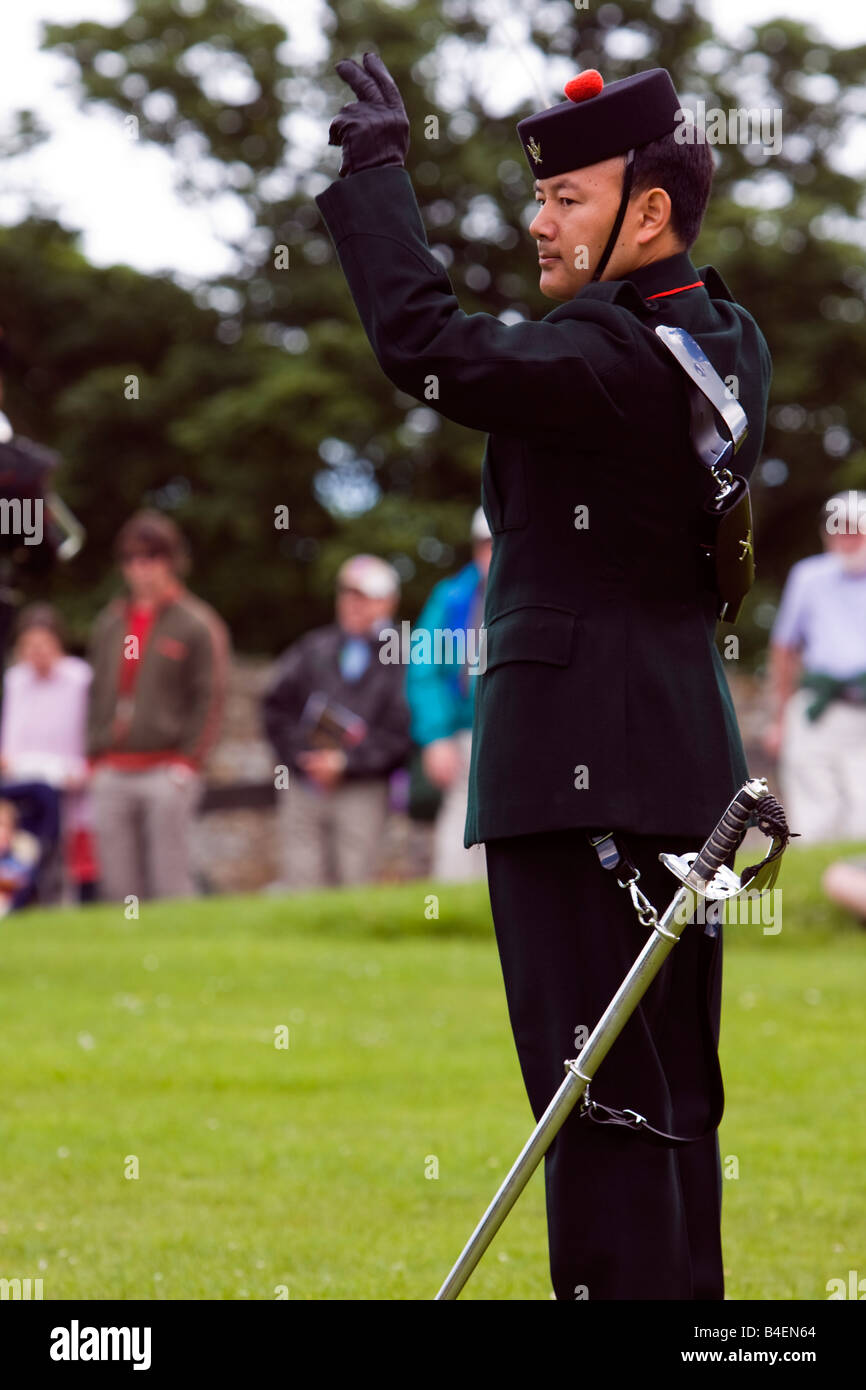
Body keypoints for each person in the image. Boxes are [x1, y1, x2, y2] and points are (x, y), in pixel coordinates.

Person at [317, 56, 772, 1299]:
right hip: (680, 776)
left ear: (648, 210)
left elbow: (425, 349)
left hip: (585, 783)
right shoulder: (716, 337)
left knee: (601, 1101)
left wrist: (374, 177)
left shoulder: (609, 356)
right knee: (666, 1097)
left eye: (565, 196)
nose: (536, 221)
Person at [87, 510, 230, 902]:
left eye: (150, 558)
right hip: (114, 767)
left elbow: (210, 696)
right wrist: (94, 756)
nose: (140, 569)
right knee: (117, 886)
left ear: (171, 561)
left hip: (167, 768)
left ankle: (179, 959)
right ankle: (128, 959)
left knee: (170, 881)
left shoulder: (196, 623)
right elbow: (98, 691)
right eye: (131, 559)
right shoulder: (110, 623)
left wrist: (188, 762)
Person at [262, 554, 412, 889]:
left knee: (355, 884)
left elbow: (402, 730)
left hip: (363, 788)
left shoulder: (403, 657)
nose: (354, 604)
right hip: (305, 783)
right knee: (302, 885)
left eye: (365, 596)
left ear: (388, 601)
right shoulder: (313, 648)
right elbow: (275, 708)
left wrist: (347, 762)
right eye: (348, 594)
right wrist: (303, 756)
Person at [763, 491, 866, 842]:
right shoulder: (808, 576)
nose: (846, 538)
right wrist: (778, 720)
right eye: (838, 529)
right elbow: (784, 649)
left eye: (855, 529)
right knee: (814, 817)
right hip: (817, 710)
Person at [405, 508, 490, 881]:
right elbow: (424, 669)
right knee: (459, 827)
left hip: (526, 737)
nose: (491, 553)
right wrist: (436, 735)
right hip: (465, 737)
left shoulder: (541, 592)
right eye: (485, 545)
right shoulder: (452, 596)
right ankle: (451, 910)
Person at [0, 603, 95, 901]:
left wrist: (82, 768)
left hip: (68, 781)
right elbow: (12, 731)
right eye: (29, 646)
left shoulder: (79, 678)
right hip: (26, 783)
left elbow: (86, 729)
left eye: (43, 644)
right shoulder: (16, 680)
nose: (37, 652)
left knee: (68, 849)